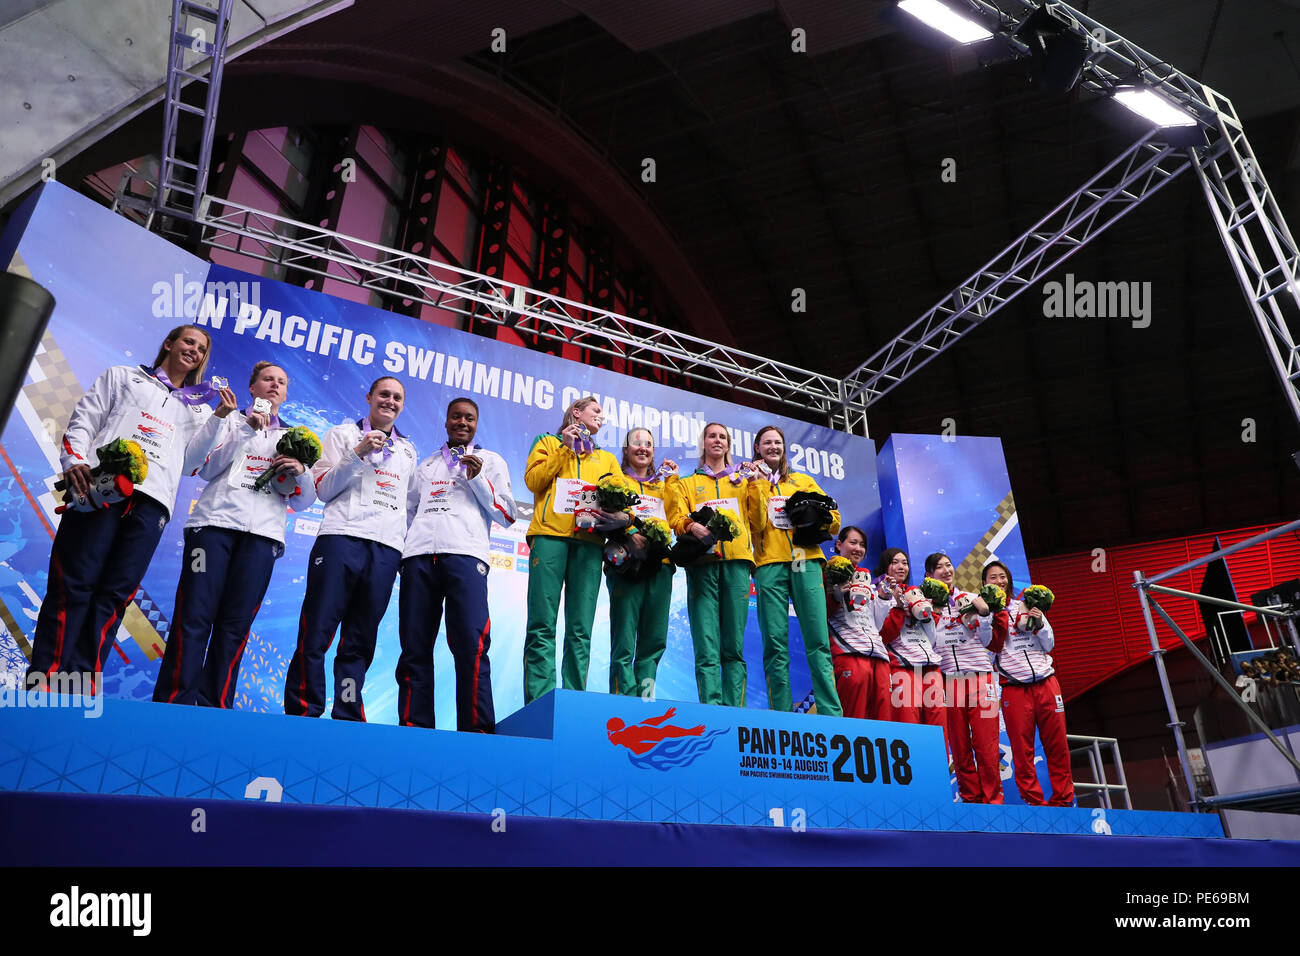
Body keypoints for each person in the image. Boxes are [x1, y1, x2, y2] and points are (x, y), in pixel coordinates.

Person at [28, 324, 230, 692]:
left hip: (151, 506)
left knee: (114, 596)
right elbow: (86, 418)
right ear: (168, 343)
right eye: (188, 341)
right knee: (73, 585)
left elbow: (190, 464)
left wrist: (217, 418)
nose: (194, 351)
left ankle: (78, 686)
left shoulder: (198, 411)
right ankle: (44, 679)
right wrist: (74, 459)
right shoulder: (123, 377)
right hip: (101, 488)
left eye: (201, 349)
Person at [153, 362, 315, 708]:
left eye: (281, 382)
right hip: (213, 528)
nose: (274, 385)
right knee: (193, 616)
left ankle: (215, 707)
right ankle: (173, 703)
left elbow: (304, 502)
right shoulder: (227, 419)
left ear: (286, 394)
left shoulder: (295, 437)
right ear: (252, 387)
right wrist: (244, 430)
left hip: (262, 539)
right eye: (268, 379)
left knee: (234, 627)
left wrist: (300, 472)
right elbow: (203, 467)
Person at [284, 376, 417, 721]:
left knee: (359, 640)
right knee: (317, 631)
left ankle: (347, 711)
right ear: (370, 397)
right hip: (341, 538)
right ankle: (303, 709)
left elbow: (407, 505)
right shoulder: (341, 435)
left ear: (402, 405)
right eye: (384, 394)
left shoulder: (408, 450)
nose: (390, 401)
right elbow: (324, 489)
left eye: (397, 397)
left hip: (386, 549)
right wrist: (358, 453)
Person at [397, 397, 516, 731]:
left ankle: (476, 732)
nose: (463, 423)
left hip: (466, 557)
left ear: (476, 424)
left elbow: (507, 514)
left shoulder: (490, 460)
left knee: (471, 647)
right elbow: (408, 513)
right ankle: (414, 728)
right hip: (419, 558)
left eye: (470, 418)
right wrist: (404, 551)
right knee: (414, 647)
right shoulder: (427, 465)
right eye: (456, 417)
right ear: (447, 421)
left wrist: (478, 479)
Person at [522, 396, 626, 703]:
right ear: (576, 412)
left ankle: (573, 701)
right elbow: (534, 481)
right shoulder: (547, 442)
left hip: (589, 543)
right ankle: (540, 701)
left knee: (580, 629)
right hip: (549, 538)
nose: (601, 417)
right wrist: (565, 447)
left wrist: (603, 507)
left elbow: (616, 498)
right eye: (596, 410)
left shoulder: (605, 459)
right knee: (542, 624)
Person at [746, 425, 842, 716]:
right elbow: (755, 523)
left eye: (777, 442)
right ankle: (783, 716)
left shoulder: (802, 480)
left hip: (806, 560)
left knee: (817, 640)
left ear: (784, 447)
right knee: (774, 644)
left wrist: (813, 516)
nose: (773, 447)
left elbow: (835, 519)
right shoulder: (750, 483)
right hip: (769, 564)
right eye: (766, 443)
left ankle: (830, 713)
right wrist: (760, 484)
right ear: (757, 449)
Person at [665, 422, 756, 707]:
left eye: (722, 437)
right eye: (711, 436)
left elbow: (759, 518)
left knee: (734, 647)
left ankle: (735, 712)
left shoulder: (741, 483)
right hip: (702, 565)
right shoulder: (688, 483)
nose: (717, 440)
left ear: (728, 445)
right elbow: (676, 519)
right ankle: (712, 710)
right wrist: (693, 526)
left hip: (737, 564)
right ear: (703, 443)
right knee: (706, 645)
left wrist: (755, 483)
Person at [978, 560, 1074, 806]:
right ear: (984, 584)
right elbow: (989, 644)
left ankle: (1063, 800)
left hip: (1046, 683)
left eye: (1002, 577)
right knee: (1022, 750)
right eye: (993, 578)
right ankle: (1034, 801)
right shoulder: (985, 614)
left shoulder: (1028, 604)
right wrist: (990, 615)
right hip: (1014, 688)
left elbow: (1049, 644)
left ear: (1008, 580)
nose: (999, 581)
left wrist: (1039, 623)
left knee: (1058, 746)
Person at [924, 551, 1005, 804]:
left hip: (980, 678)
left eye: (949, 565)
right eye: (939, 568)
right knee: (959, 748)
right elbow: (926, 645)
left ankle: (994, 802)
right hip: (948, 682)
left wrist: (983, 615)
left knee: (987, 745)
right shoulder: (924, 607)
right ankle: (970, 800)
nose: (946, 571)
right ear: (929, 575)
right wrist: (933, 616)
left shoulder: (972, 598)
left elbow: (989, 641)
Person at [606, 427, 678, 698]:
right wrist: (631, 533)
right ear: (625, 450)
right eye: (636, 443)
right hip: (626, 566)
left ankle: (645, 701)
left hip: (661, 566)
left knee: (654, 640)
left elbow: (677, 515)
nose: (643, 448)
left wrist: (671, 480)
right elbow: (604, 515)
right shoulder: (615, 481)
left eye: (648, 444)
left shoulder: (665, 484)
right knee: (624, 639)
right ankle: (622, 701)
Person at [824, 526, 897, 720]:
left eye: (862, 545)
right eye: (853, 542)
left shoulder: (868, 582)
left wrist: (882, 598)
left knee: (883, 722)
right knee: (854, 719)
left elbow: (878, 625)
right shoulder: (826, 574)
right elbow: (819, 613)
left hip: (880, 657)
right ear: (839, 544)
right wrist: (835, 594)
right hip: (849, 653)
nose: (858, 548)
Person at [871, 547, 945, 735]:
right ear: (885, 565)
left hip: (931, 668)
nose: (901, 567)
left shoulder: (916, 593)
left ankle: (939, 765)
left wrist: (927, 615)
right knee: (911, 730)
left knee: (938, 731)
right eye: (895, 562)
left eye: (905, 563)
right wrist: (897, 608)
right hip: (902, 669)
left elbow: (931, 638)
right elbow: (882, 636)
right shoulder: (877, 593)